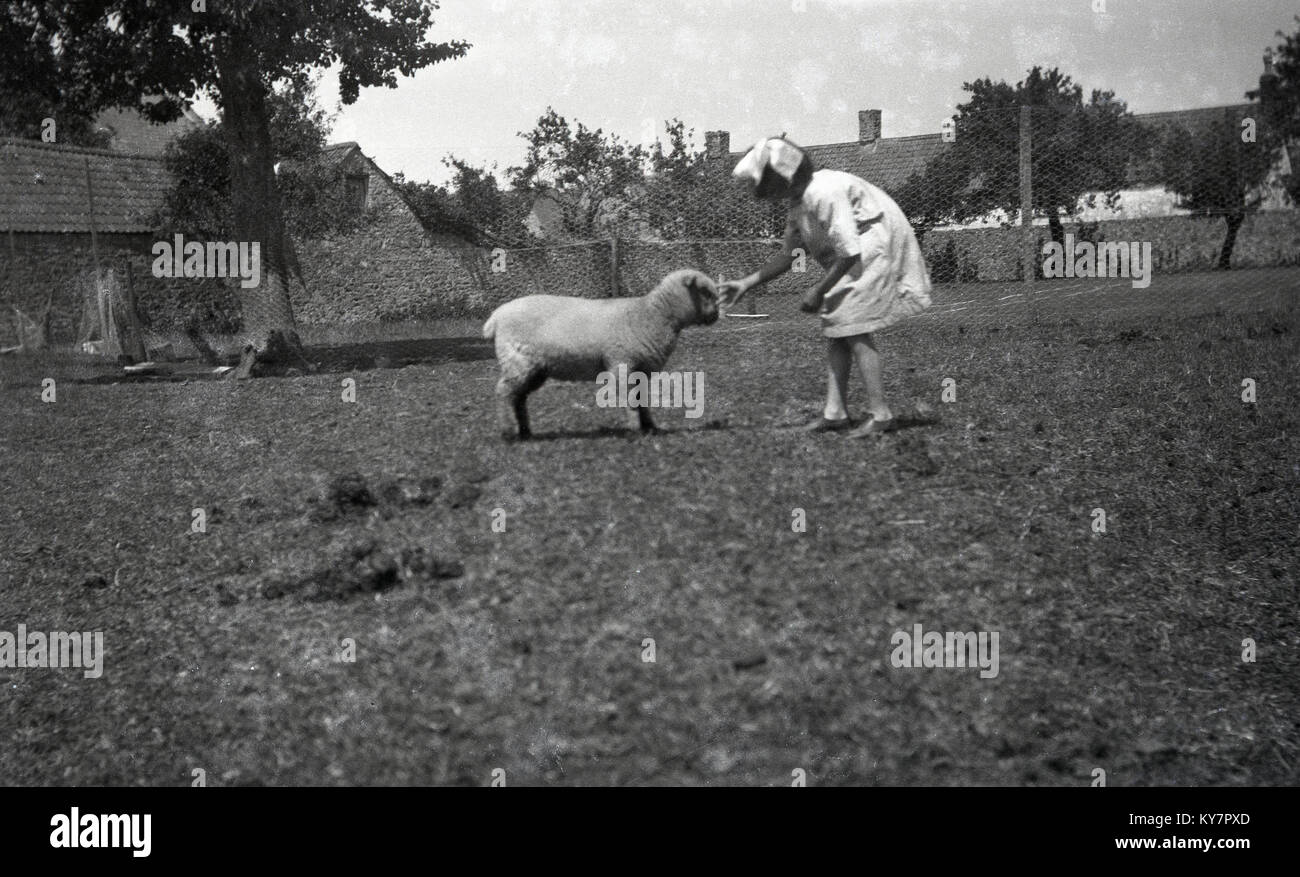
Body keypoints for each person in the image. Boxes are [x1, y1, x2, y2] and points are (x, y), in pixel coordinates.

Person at [718, 137, 933, 436]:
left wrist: (819, 289)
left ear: (781, 178)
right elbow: (790, 257)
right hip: (854, 253)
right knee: (838, 328)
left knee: (855, 328)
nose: (759, 191)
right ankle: (835, 413)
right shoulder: (798, 204)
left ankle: (881, 414)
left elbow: (850, 252)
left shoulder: (823, 192)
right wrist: (745, 284)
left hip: (874, 245)